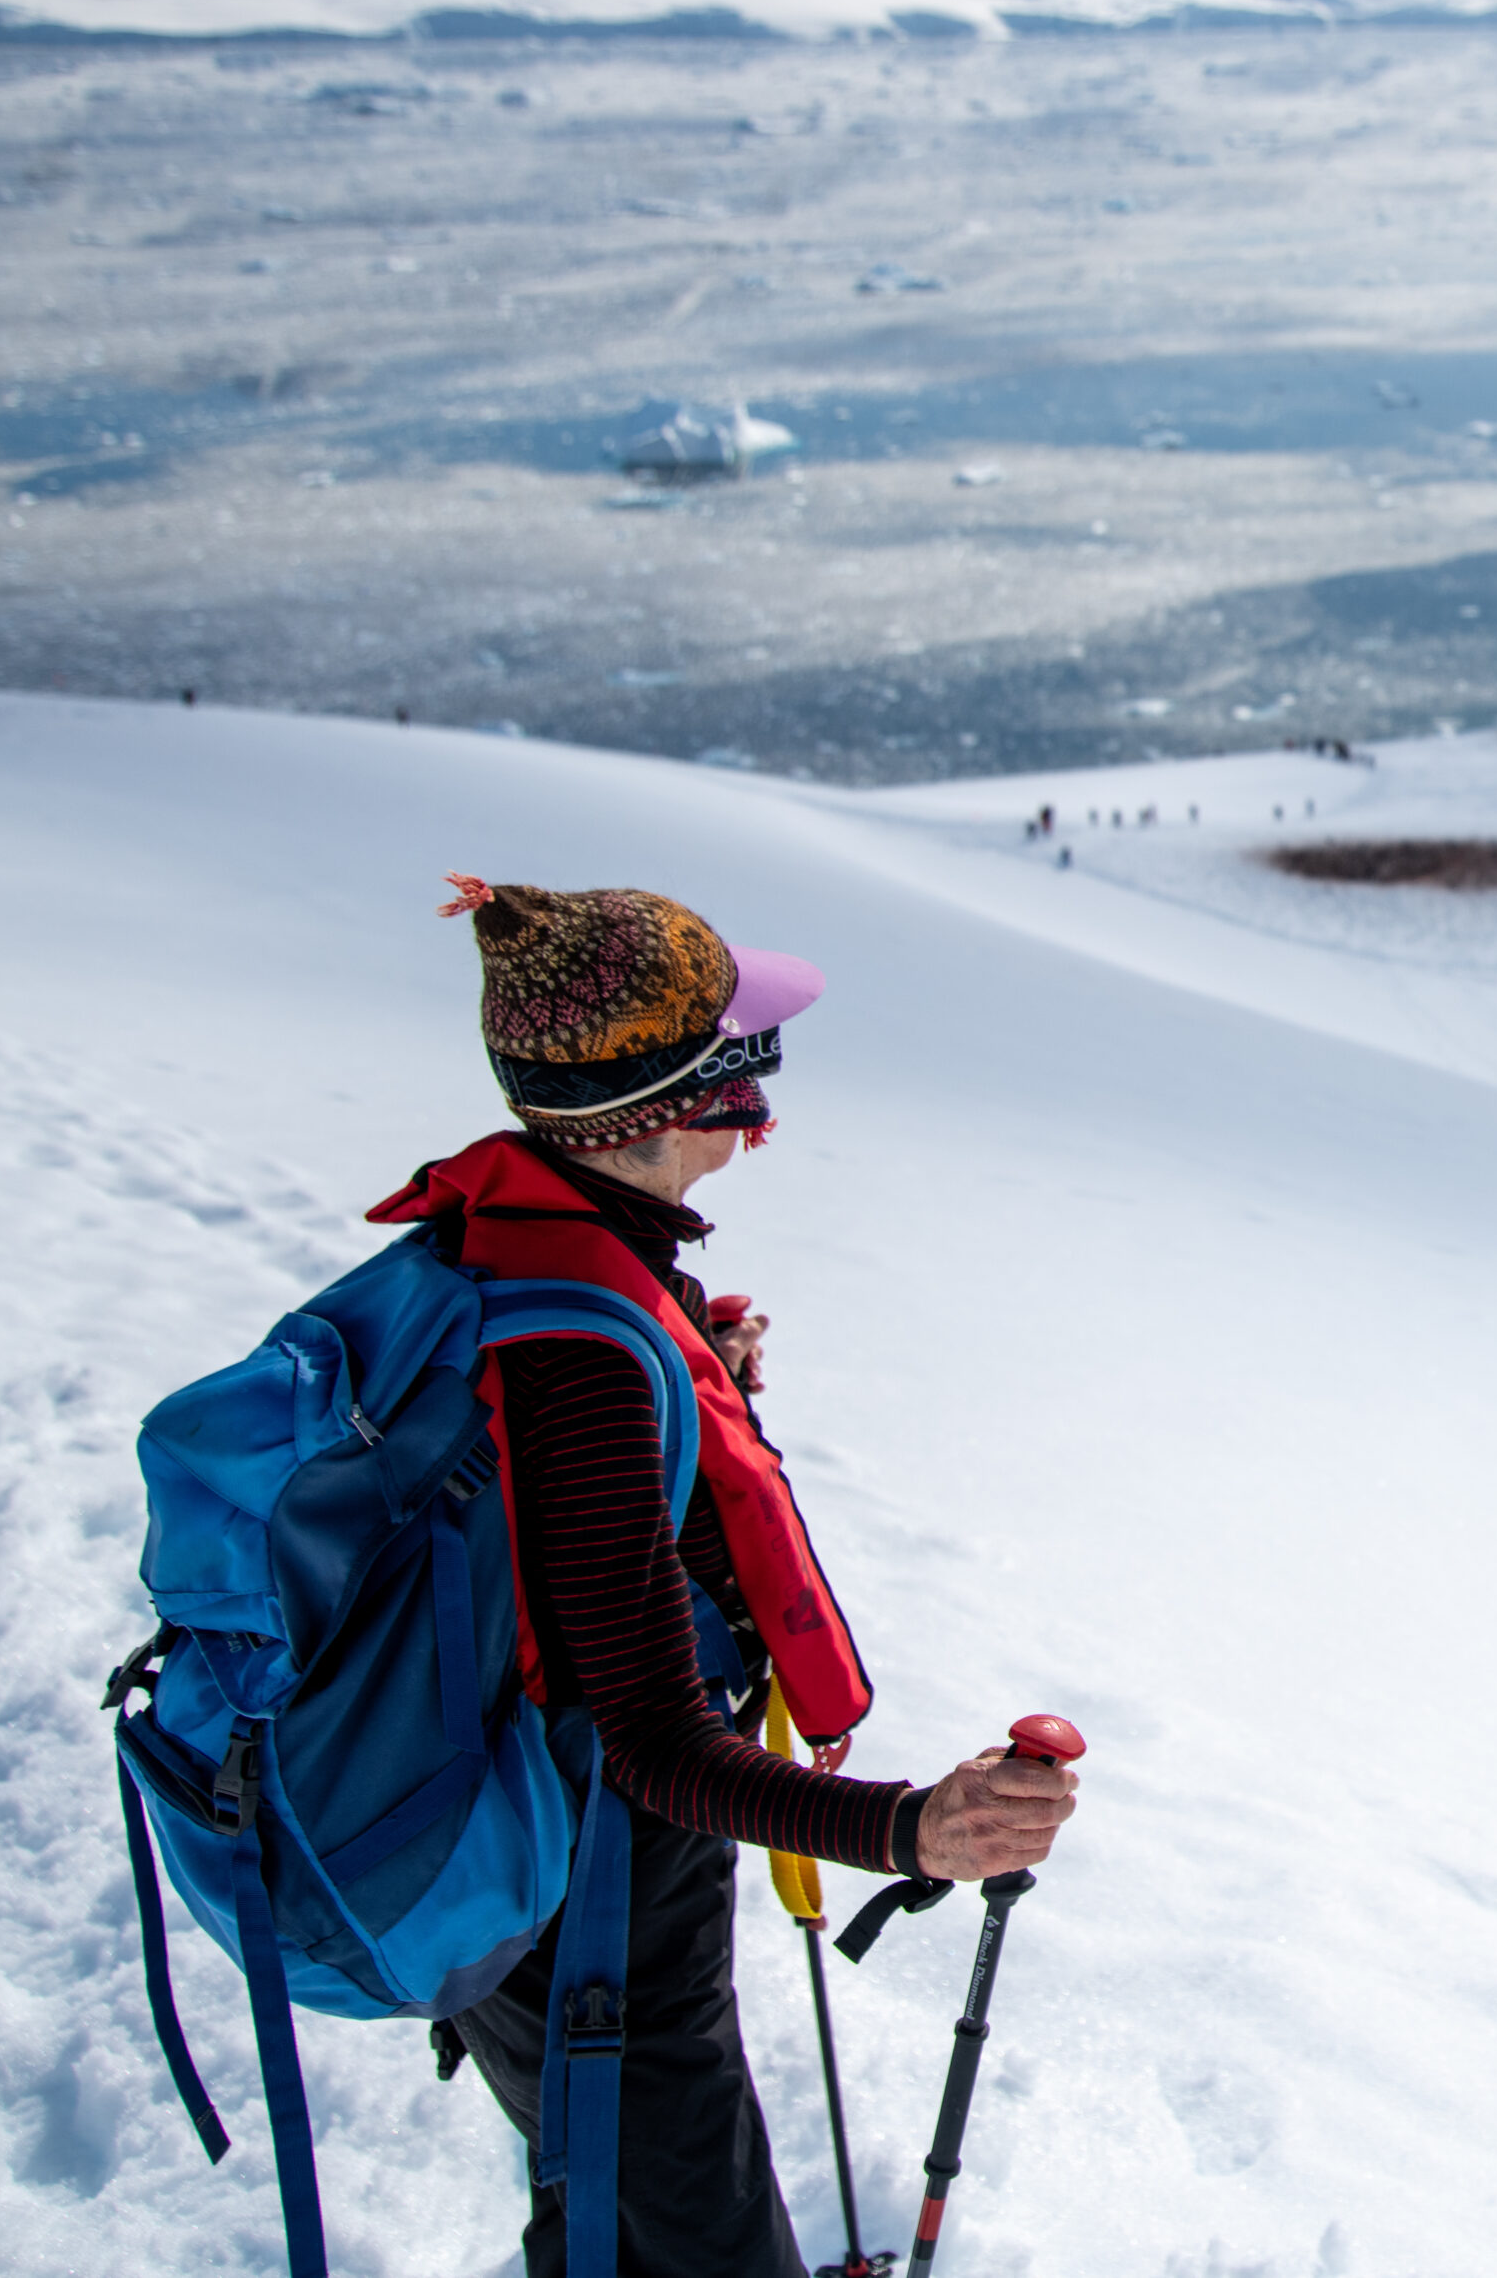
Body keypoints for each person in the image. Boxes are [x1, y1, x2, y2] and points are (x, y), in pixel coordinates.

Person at [374, 873, 1075, 2277]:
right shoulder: (580, 1358)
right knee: (684, 2230)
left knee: (605, 2203)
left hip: (513, 1850)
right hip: (590, 1903)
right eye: (745, 1064)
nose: (763, 1101)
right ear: (673, 1109)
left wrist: (692, 1394)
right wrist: (912, 1833)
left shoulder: (518, 1244)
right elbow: (645, 1741)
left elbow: (550, 1534)